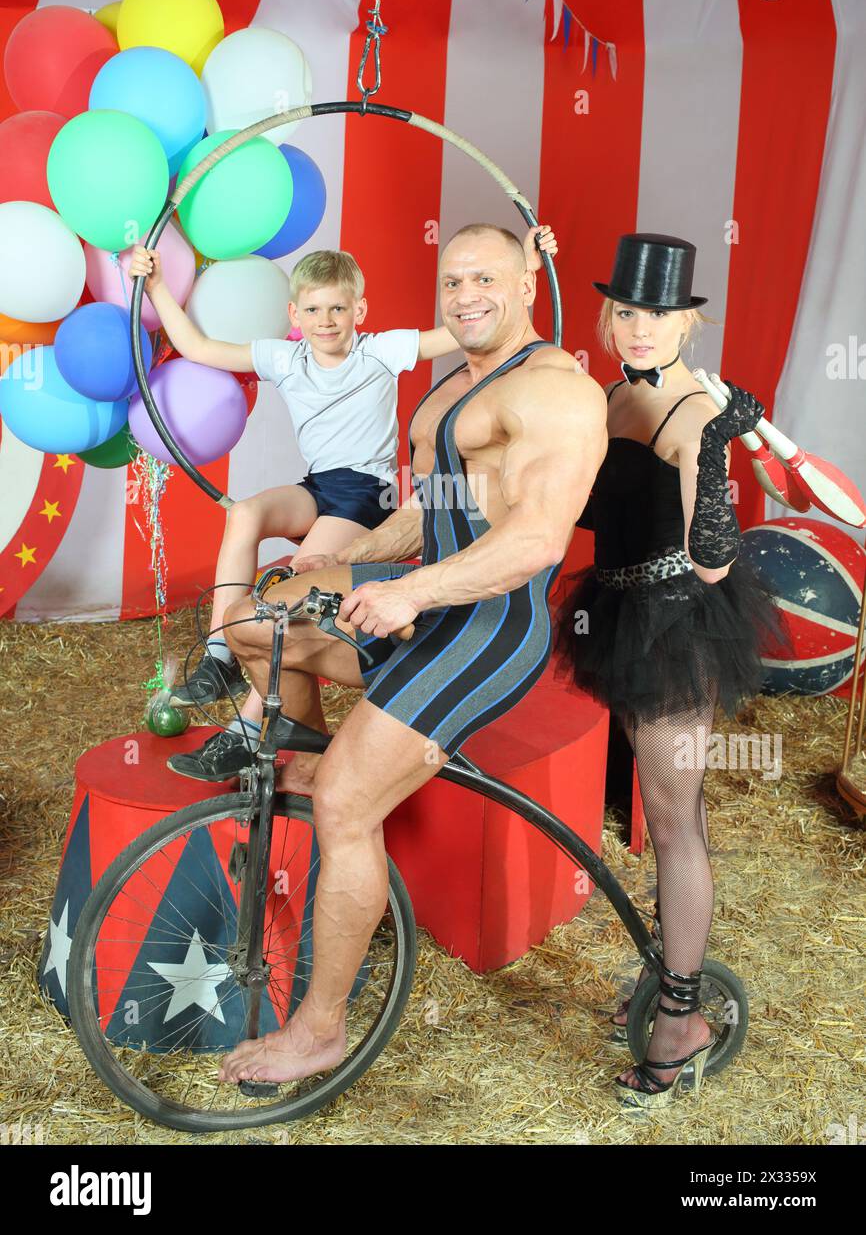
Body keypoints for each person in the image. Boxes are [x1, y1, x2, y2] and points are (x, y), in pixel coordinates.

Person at [212, 222, 607, 1086]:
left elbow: (538, 538)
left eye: (486, 280)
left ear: (529, 283)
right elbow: (429, 513)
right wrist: (351, 562)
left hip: (488, 633)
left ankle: (320, 1028)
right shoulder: (450, 392)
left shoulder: (555, 392)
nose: (465, 296)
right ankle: (315, 751)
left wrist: (408, 592)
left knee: (350, 807)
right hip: (428, 606)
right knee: (254, 617)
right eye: (452, 280)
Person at [130, 231, 558, 781]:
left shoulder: (378, 350)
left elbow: (465, 321)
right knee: (245, 514)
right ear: (294, 312)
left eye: (338, 308)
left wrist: (527, 266)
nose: (326, 320)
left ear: (360, 309)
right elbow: (197, 349)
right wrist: (159, 286)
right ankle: (219, 659)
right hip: (320, 485)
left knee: (281, 599)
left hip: (367, 495)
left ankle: (245, 731)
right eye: (313, 309)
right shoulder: (285, 357)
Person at [552, 232, 790, 1109]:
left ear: (691, 321)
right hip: (618, 610)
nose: (638, 327)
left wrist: (719, 444)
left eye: (657, 313)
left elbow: (715, 557)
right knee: (654, 814)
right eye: (624, 310)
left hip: (678, 626)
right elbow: (588, 515)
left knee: (672, 821)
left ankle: (682, 1020)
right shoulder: (610, 395)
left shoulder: (694, 414)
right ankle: (670, 975)